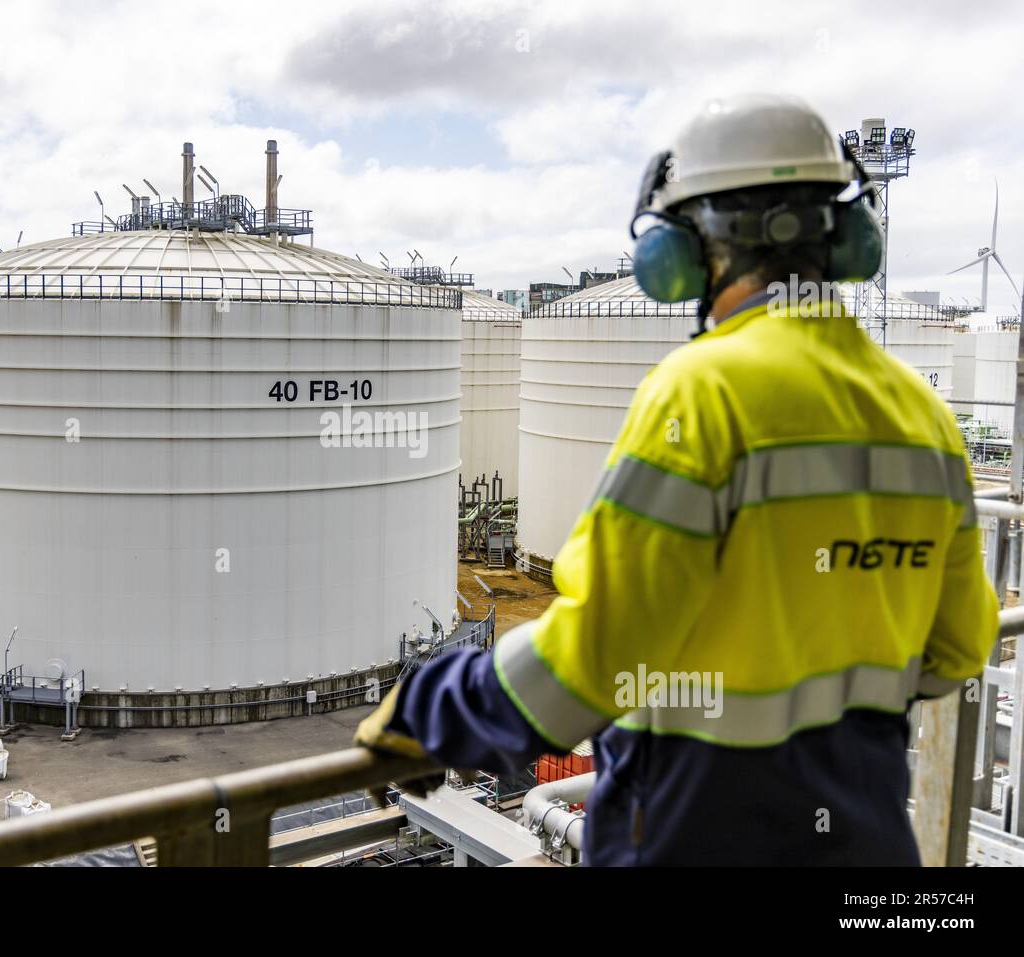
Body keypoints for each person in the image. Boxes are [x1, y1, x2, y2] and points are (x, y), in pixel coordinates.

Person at [354, 94, 999, 865]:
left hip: (698, 831)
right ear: (847, 238)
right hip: (866, 839)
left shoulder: (702, 391)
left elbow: (596, 654)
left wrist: (431, 711)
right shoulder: (920, 415)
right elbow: (961, 645)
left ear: (692, 246)